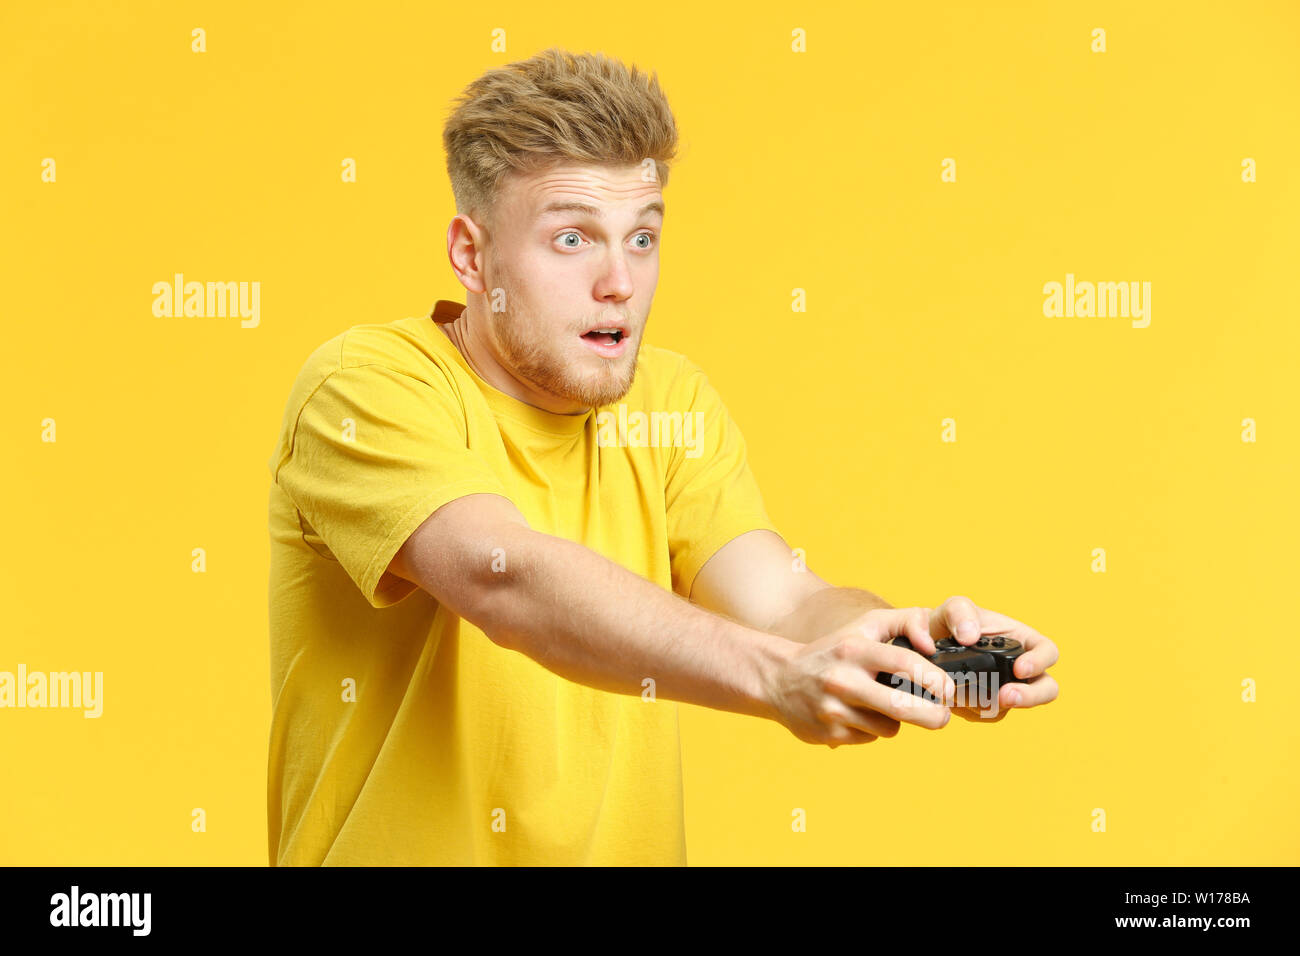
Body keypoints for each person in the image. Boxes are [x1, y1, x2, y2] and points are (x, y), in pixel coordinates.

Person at [265, 47, 1059, 866]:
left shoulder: (670, 401)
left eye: (641, 237)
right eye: (572, 238)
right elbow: (503, 577)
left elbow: (783, 602)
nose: (619, 282)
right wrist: (779, 679)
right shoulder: (365, 388)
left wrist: (893, 643)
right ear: (471, 255)